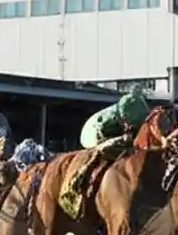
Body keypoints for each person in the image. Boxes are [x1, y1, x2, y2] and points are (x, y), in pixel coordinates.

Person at [61, 86, 151, 215]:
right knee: (107, 150)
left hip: (116, 131)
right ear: (124, 118)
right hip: (94, 134)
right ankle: (80, 181)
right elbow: (103, 138)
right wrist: (120, 139)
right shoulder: (108, 120)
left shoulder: (134, 112)